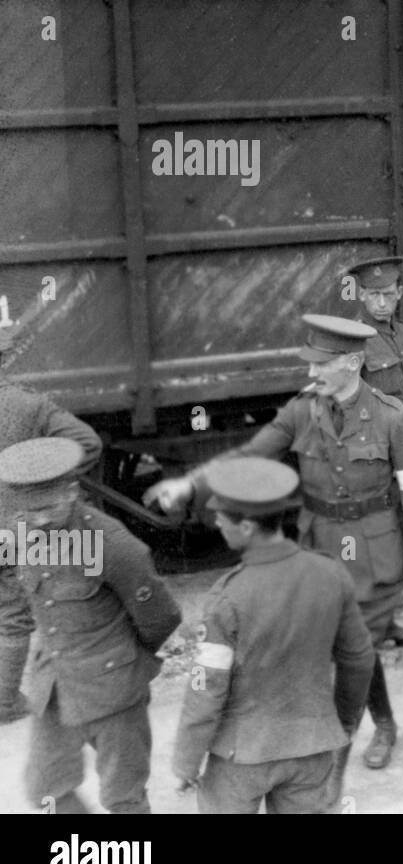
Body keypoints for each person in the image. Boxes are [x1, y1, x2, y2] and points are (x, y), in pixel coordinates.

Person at [146, 314, 403, 773]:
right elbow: (248, 456)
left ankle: (336, 760)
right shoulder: (302, 411)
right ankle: (381, 723)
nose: (311, 373)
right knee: (347, 646)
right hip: (319, 548)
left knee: (355, 647)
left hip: (376, 557)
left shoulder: (392, 419)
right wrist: (191, 486)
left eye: (321, 364)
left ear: (353, 362)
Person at [172, 458, 375, 814]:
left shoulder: (227, 598)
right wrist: (340, 722)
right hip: (312, 746)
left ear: (248, 526)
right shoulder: (331, 575)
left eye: (223, 520)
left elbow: (206, 689)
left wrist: (187, 761)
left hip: (241, 758)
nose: (217, 524)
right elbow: (359, 659)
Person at [1, 437, 180, 814]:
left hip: (114, 691)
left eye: (49, 508)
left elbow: (161, 615)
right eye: (29, 511)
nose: (40, 520)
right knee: (46, 791)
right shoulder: (21, 531)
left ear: (72, 490)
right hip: (55, 688)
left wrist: (126, 661)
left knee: (123, 799)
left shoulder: (111, 544)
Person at [0, 326, 104, 724]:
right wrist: (49, 479)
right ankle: (5, 703)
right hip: (16, 524)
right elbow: (88, 443)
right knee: (13, 612)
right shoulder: (31, 406)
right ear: (5, 359)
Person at [346, 255, 403, 650]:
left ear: (399, 294)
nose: (380, 303)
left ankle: (386, 621)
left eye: (387, 294)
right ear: (361, 296)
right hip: (378, 459)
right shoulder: (353, 341)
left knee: (400, 537)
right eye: (372, 295)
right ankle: (366, 627)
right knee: (376, 542)